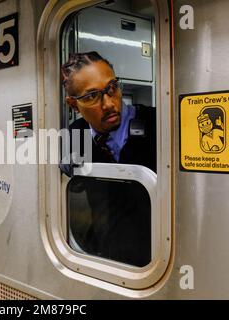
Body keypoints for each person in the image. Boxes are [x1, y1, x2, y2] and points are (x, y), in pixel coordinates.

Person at [61, 51, 155, 267]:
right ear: (73, 105)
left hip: (156, 256)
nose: (109, 104)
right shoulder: (77, 133)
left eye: (112, 88)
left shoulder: (156, 123)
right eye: (92, 96)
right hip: (104, 256)